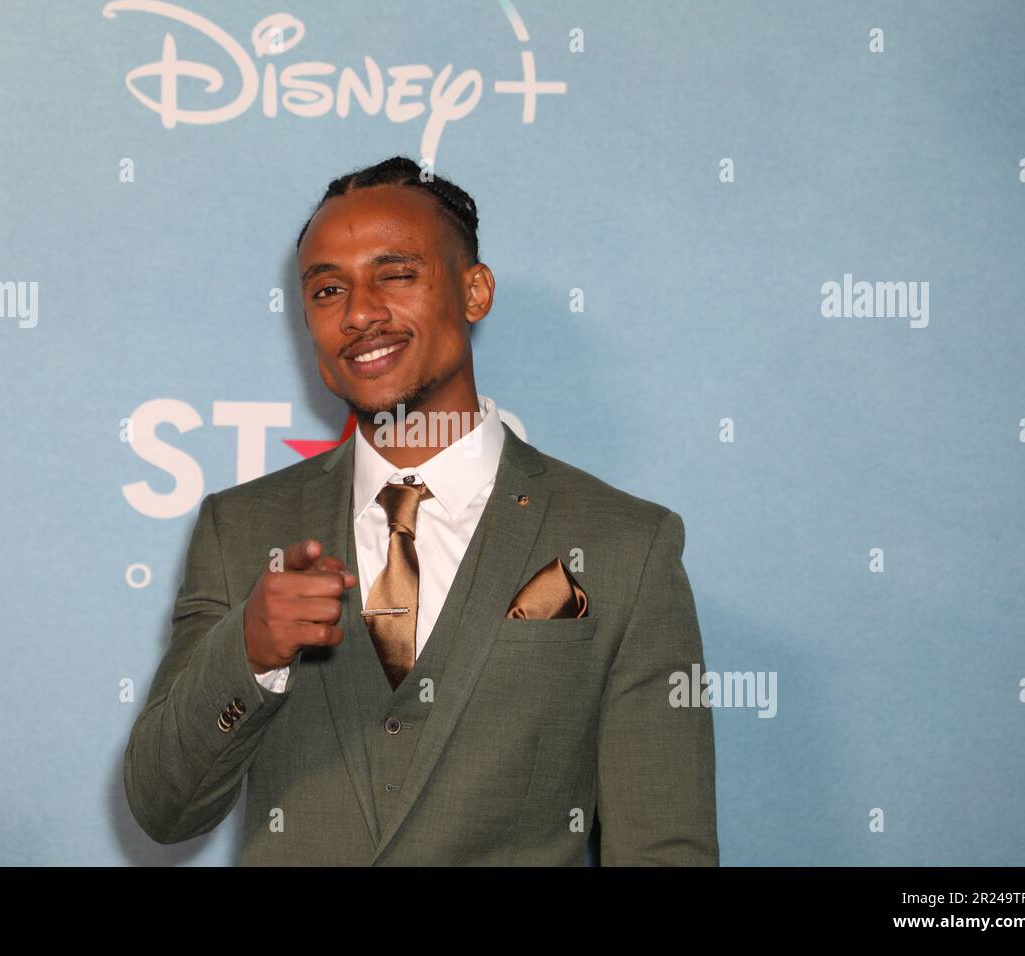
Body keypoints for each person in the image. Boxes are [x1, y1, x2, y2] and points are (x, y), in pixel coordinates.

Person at [123, 156, 719, 865]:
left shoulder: (626, 544)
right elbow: (164, 807)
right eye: (326, 290)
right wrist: (249, 653)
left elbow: (664, 847)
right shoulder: (241, 529)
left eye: (395, 273)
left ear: (475, 291)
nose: (359, 313)